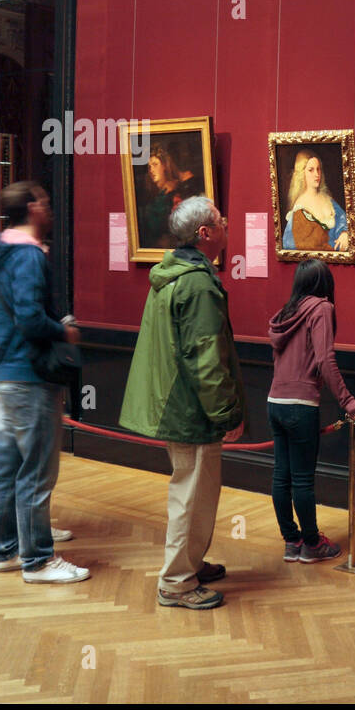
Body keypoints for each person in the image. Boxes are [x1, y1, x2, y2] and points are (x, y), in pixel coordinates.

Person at [120, 196, 246, 610]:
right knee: (192, 496)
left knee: (194, 492)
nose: (227, 225)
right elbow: (205, 358)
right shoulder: (196, 283)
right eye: (221, 221)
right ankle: (176, 581)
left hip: (178, 402)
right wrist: (227, 413)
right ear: (205, 234)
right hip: (190, 407)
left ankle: (189, 562)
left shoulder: (174, 274)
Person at [0, 181, 88, 583]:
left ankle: (4, 550)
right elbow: (28, 318)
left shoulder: (0, 252)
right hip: (30, 377)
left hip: (6, 375)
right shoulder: (27, 255)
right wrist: (64, 332)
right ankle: (38, 561)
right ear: (31, 207)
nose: (49, 206)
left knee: (9, 468)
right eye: (44, 200)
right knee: (37, 472)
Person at [268, 259, 355, 563]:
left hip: (275, 401)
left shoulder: (286, 312)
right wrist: (348, 401)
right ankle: (312, 544)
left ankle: (291, 541)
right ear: (325, 283)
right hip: (301, 405)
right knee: (303, 479)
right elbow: (326, 360)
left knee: (282, 475)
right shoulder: (322, 308)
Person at [283, 150, 349, 252]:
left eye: (318, 169)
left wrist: (344, 233)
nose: (317, 174)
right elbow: (291, 245)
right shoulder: (300, 209)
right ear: (302, 174)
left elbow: (344, 219)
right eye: (311, 170)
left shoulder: (327, 199)